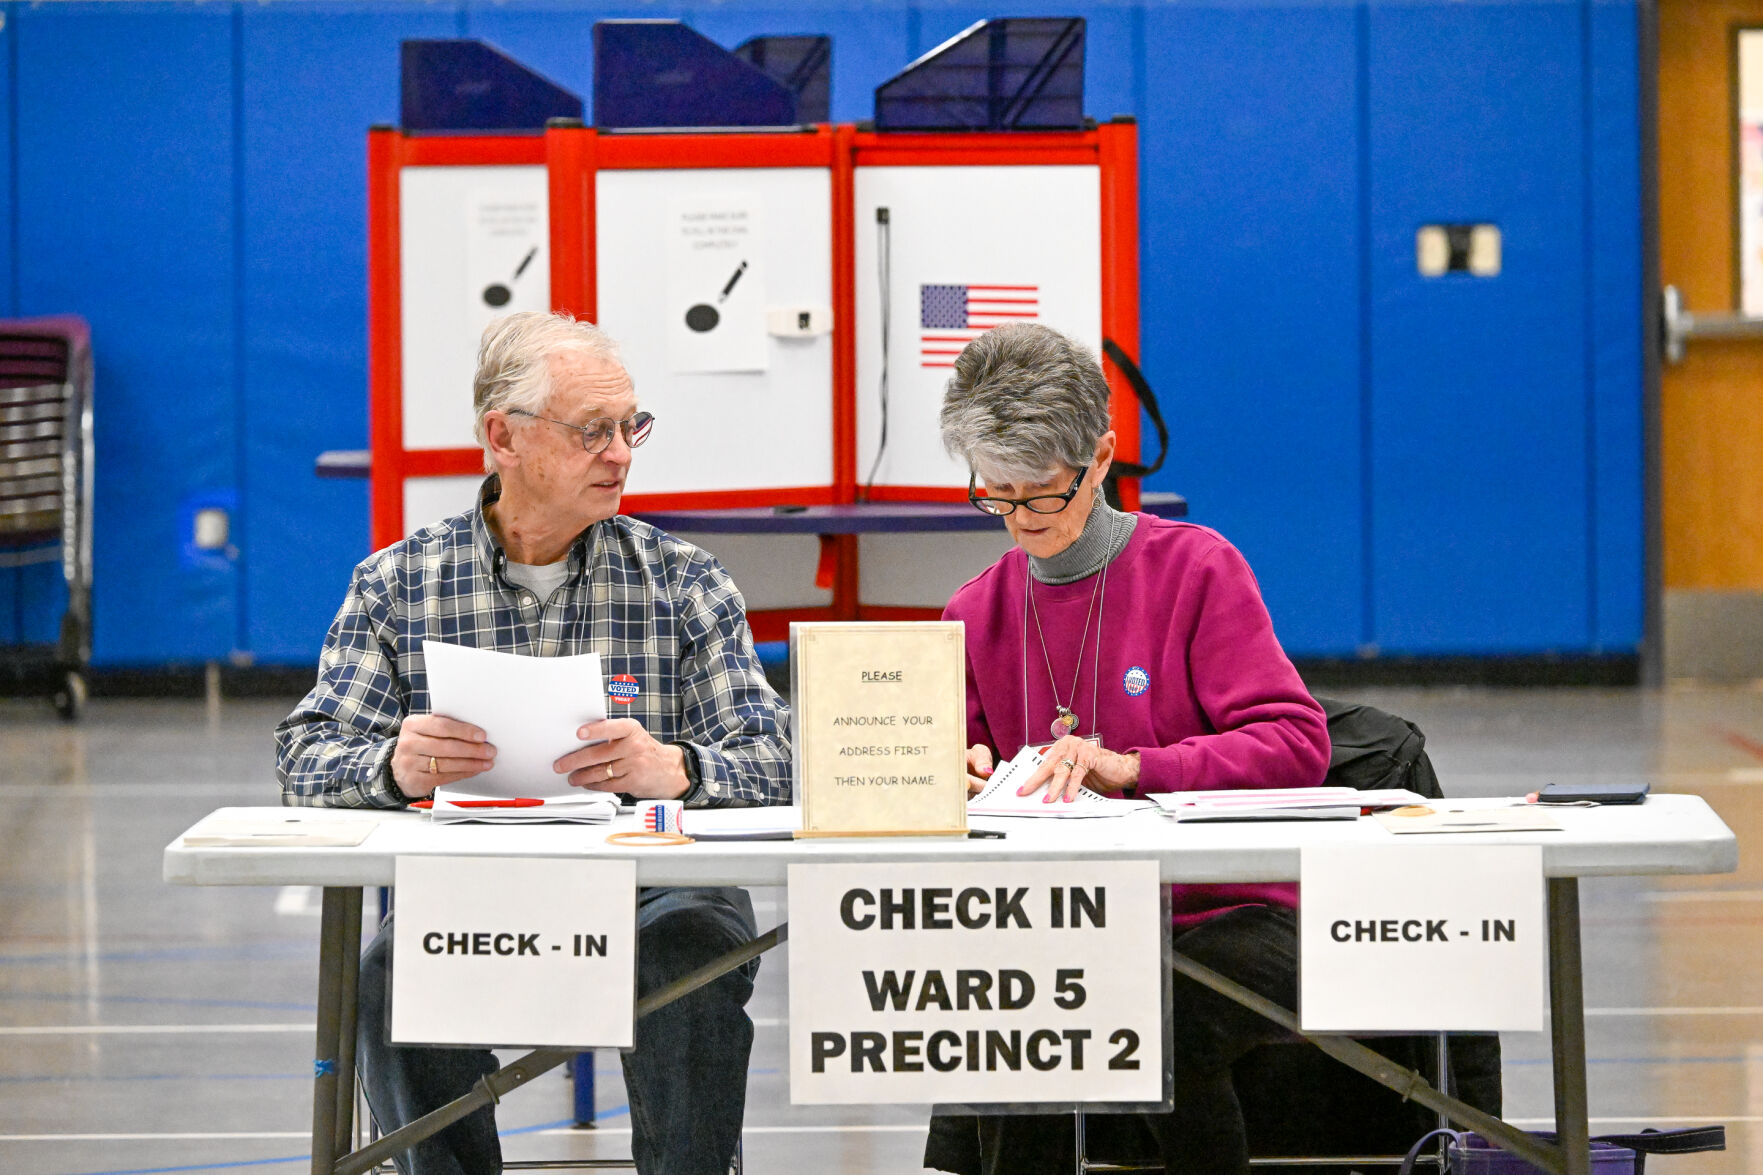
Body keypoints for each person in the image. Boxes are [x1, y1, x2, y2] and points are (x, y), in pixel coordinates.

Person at [275, 310, 790, 1175]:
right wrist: (390, 766)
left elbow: (773, 760)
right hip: (472, 896)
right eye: (593, 431)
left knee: (692, 956)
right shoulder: (398, 583)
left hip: (652, 892)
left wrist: (678, 768)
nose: (622, 453)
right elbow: (303, 757)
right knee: (386, 982)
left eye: (632, 427)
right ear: (502, 438)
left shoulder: (686, 581)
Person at [923, 322, 1331, 1175]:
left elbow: (1296, 743)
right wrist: (947, 772)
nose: (1016, 518)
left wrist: (1137, 767)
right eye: (993, 495)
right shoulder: (971, 612)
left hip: (1227, 911)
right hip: (1057, 916)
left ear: (1102, 457)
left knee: (1150, 1006)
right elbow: (956, 766)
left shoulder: (1196, 569)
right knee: (1010, 1013)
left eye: (1039, 493)